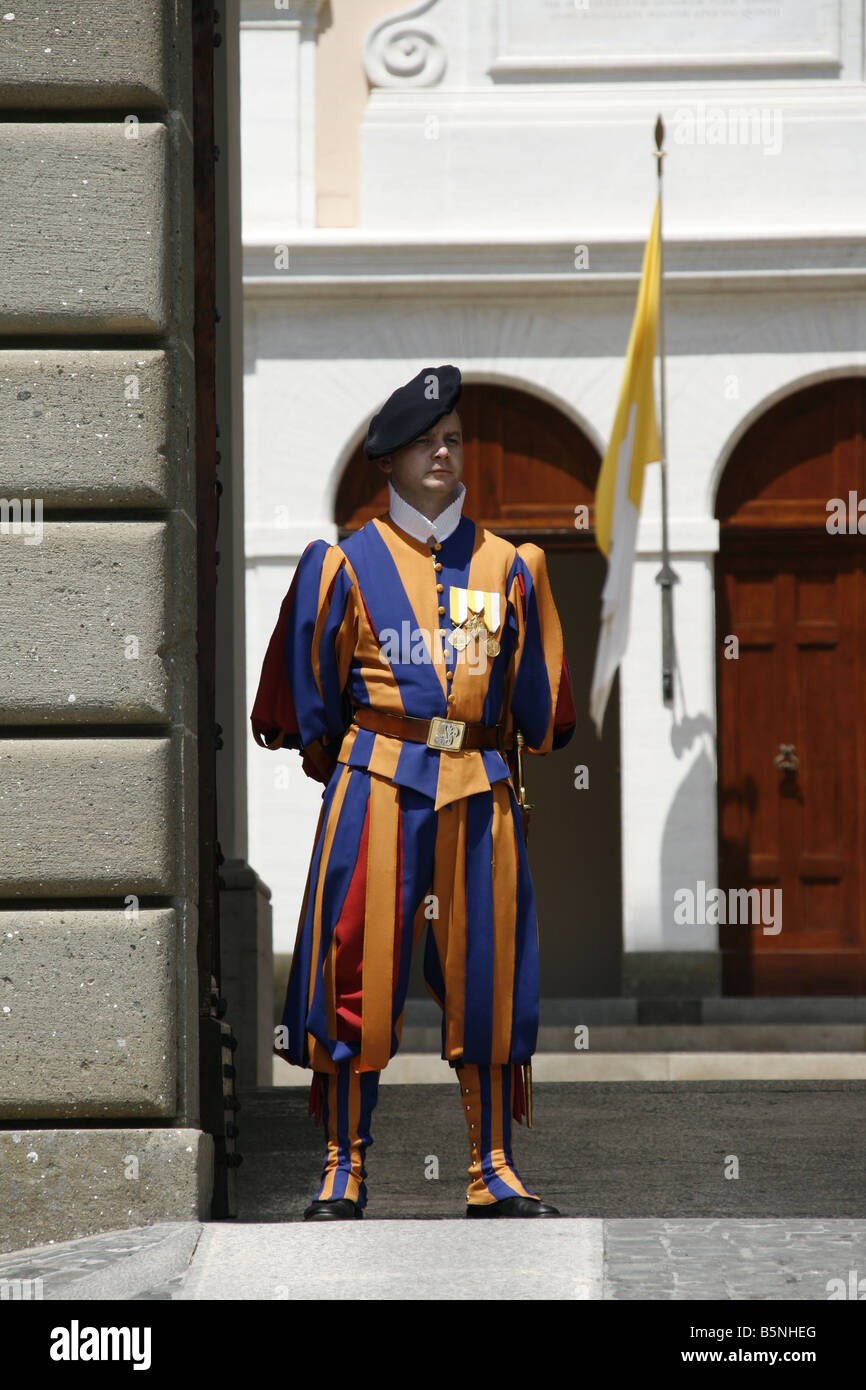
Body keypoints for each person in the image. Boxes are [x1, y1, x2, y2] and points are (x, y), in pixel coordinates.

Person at [250, 364, 576, 1219]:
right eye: (426, 442)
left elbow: (541, 713)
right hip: (377, 785)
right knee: (352, 966)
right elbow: (311, 711)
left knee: (491, 975)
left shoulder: (512, 566)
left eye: (454, 440)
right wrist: (365, 770)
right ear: (386, 461)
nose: (445, 451)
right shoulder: (343, 564)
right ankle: (343, 1168)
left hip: (480, 785)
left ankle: (492, 1168)